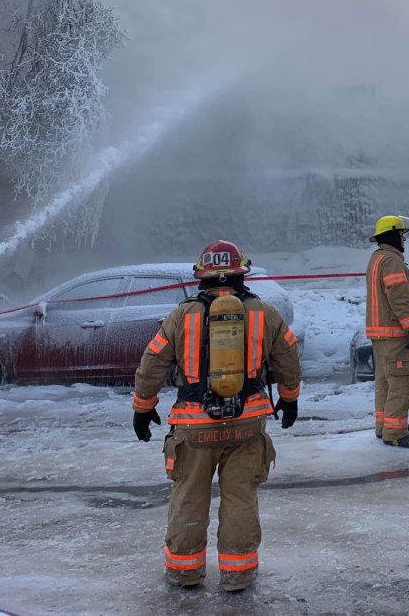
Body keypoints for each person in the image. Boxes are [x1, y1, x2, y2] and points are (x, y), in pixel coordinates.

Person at [131, 240, 301, 592]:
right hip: (247, 427)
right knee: (240, 499)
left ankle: (184, 571)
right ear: (242, 272)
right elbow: (288, 357)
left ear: (202, 275)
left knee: (189, 498)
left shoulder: (182, 315)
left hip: (194, 429)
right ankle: (238, 574)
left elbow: (152, 363)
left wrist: (143, 407)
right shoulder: (264, 313)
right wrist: (289, 399)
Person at [365, 215, 409, 448]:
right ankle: (396, 433)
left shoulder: (377, 258)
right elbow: (398, 297)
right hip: (395, 335)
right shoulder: (391, 261)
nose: (404, 239)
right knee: (402, 382)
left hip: (381, 336)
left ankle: (385, 426)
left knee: (385, 383)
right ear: (392, 235)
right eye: (401, 234)